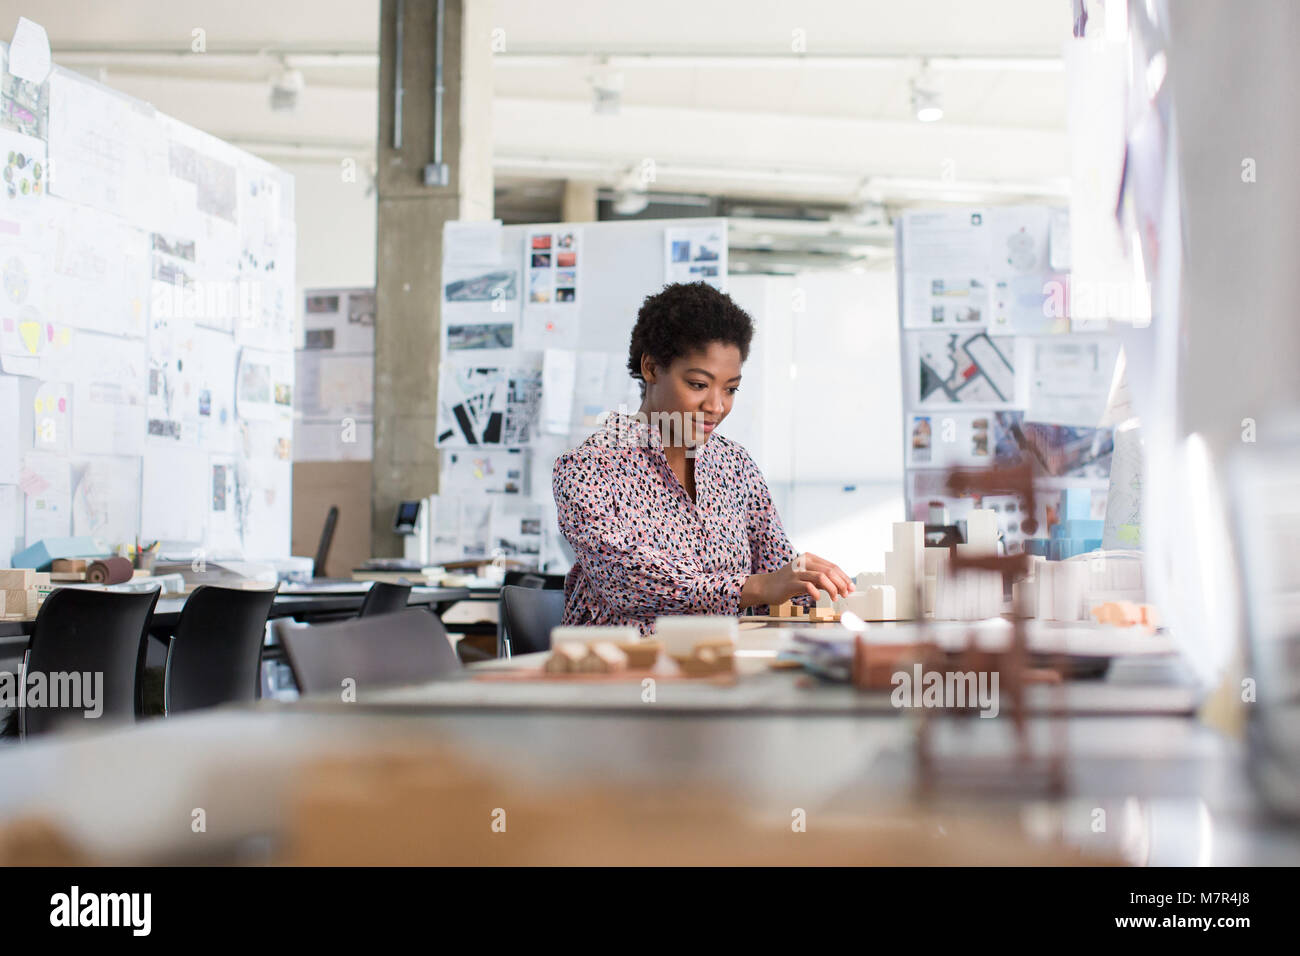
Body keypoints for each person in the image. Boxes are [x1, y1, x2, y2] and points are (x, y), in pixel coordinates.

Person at [553, 281, 853, 634]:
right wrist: (756, 586)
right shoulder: (588, 467)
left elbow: (777, 568)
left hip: (722, 663)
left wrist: (827, 586)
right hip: (624, 672)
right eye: (698, 384)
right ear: (651, 368)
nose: (717, 406)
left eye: (730, 388)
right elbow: (629, 583)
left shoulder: (734, 464)